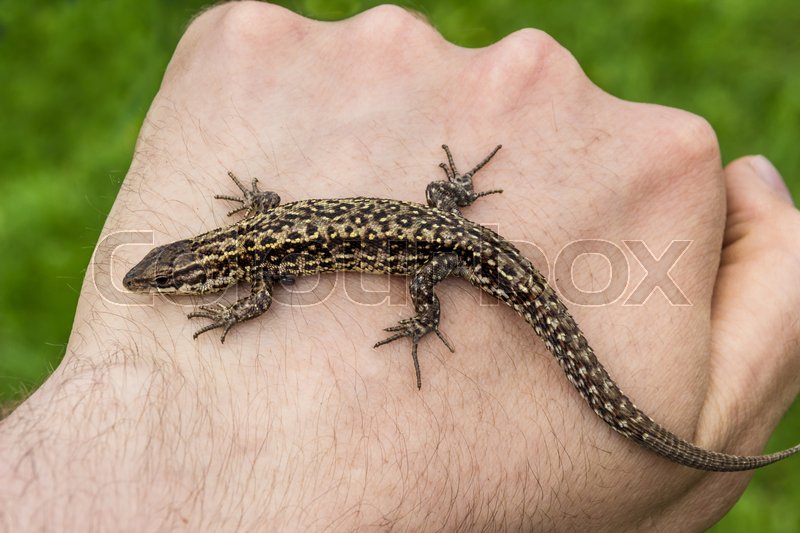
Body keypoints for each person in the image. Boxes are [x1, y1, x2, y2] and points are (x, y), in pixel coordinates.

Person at [2, 2, 798, 530]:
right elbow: (270, 213)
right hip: (438, 226)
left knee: (431, 283)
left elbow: (263, 296)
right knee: (437, 214)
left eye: (169, 279)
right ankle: (444, 215)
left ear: (198, 272)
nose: (163, 286)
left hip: (440, 247)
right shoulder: (260, 235)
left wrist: (416, 317)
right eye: (163, 279)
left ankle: (428, 304)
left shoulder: (254, 264)